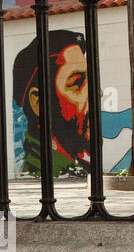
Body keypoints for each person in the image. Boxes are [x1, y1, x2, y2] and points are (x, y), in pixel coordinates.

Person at [12, 30, 91, 176]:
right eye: (77, 82)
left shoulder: (83, 168)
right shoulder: (37, 168)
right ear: (38, 103)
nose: (95, 93)